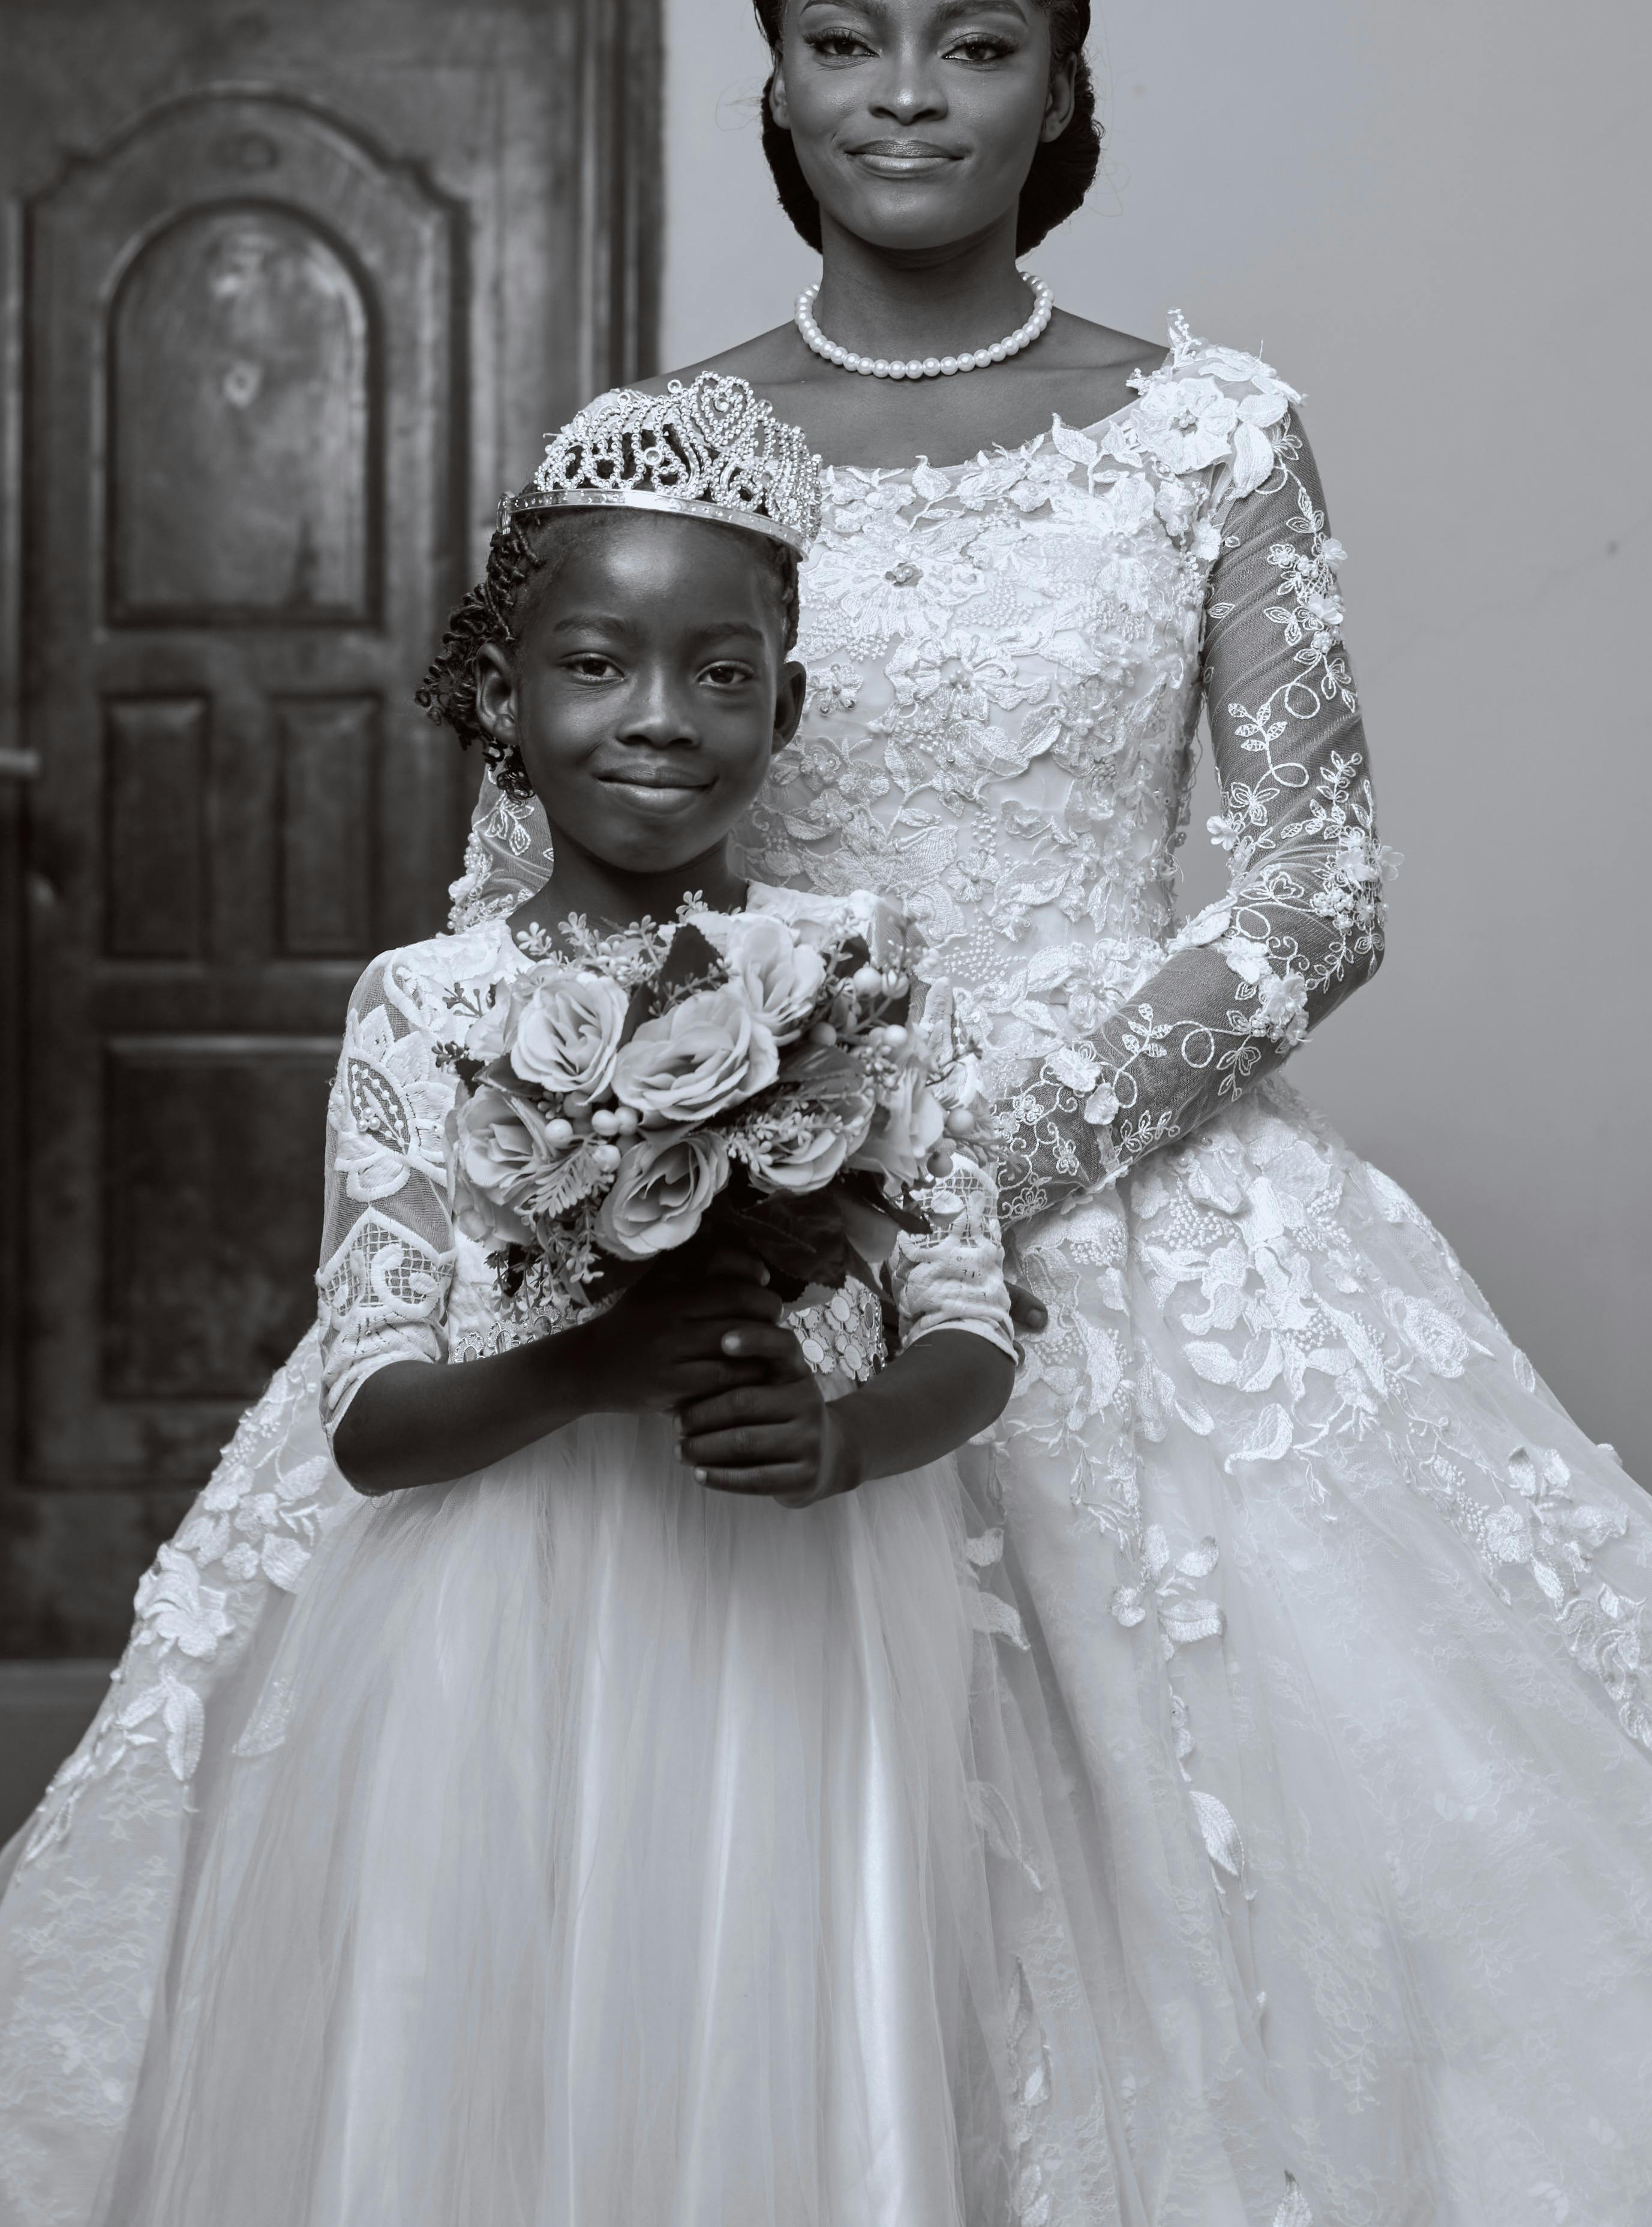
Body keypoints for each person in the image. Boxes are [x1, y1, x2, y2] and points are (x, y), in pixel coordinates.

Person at [457, 0, 1652, 2225]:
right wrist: (711, 1148)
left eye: (975, 44)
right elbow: (521, 882)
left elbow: (1313, 886)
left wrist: (974, 1152)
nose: (905, 96)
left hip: (1144, 1219)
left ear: (1060, 84)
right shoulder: (659, 456)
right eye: (841, 40)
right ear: (769, 81)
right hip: (751, 1214)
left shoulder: (1205, 431)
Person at [0, 374, 1116, 2227]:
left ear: (791, 701)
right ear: (502, 702)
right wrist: (601, 1355)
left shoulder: (862, 971)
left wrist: (848, 1437)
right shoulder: (422, 1005)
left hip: (797, 1603)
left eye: (723, 671)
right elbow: (369, 1425)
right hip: (494, 1619)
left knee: (770, 1988)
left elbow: (970, 1321)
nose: (659, 718)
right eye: (595, 665)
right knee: (497, 2006)